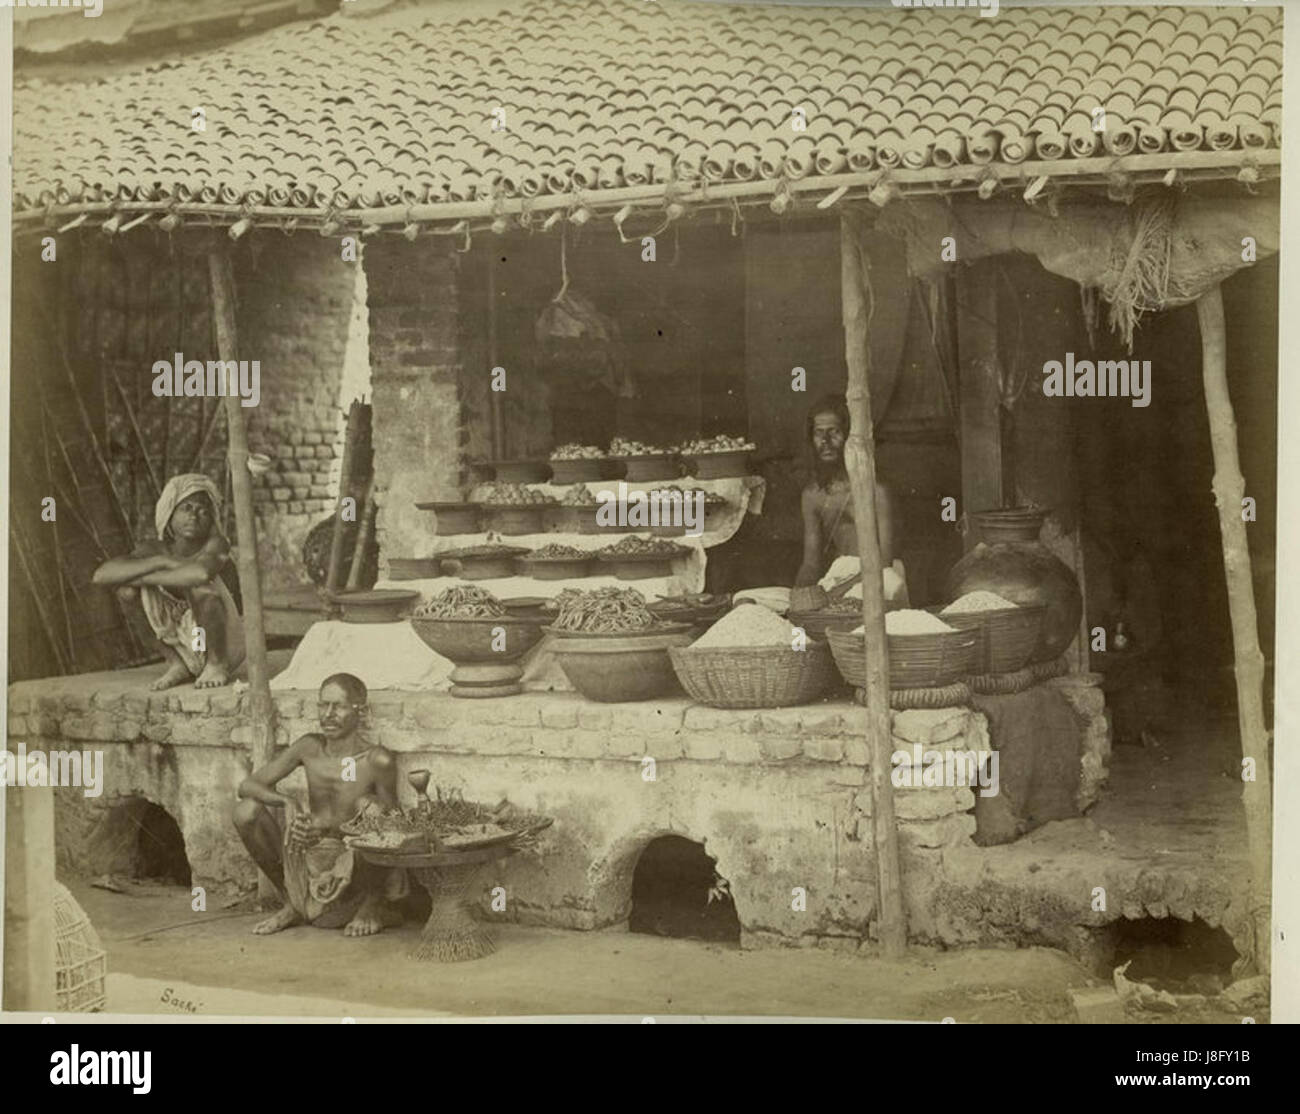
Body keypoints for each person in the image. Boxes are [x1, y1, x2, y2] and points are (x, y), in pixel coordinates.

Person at [232, 673, 407, 937]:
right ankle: (291, 902)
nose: (328, 714)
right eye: (323, 705)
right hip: (309, 853)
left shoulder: (376, 759)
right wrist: (287, 803)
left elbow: (396, 825)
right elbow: (248, 786)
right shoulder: (309, 747)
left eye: (338, 706)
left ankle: (371, 906)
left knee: (372, 808)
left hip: (353, 860)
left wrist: (334, 829)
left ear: (362, 711)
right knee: (246, 811)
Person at [92, 473, 244, 690]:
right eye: (186, 508)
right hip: (182, 640)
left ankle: (215, 665)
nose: (194, 516)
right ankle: (176, 662)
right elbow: (101, 576)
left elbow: (199, 574)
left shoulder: (217, 544)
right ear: (170, 513)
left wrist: (142, 576)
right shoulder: (155, 550)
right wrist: (160, 561)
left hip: (221, 640)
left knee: (201, 590)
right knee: (126, 592)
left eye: (203, 510)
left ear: (211, 519)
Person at [793, 394, 903, 600]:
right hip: (838, 578)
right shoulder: (812, 496)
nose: (825, 441)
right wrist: (798, 595)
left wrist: (837, 593)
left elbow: (885, 561)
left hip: (880, 576)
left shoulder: (877, 490)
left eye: (833, 432)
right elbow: (811, 564)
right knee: (754, 598)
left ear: (849, 435)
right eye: (818, 433)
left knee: (882, 585)